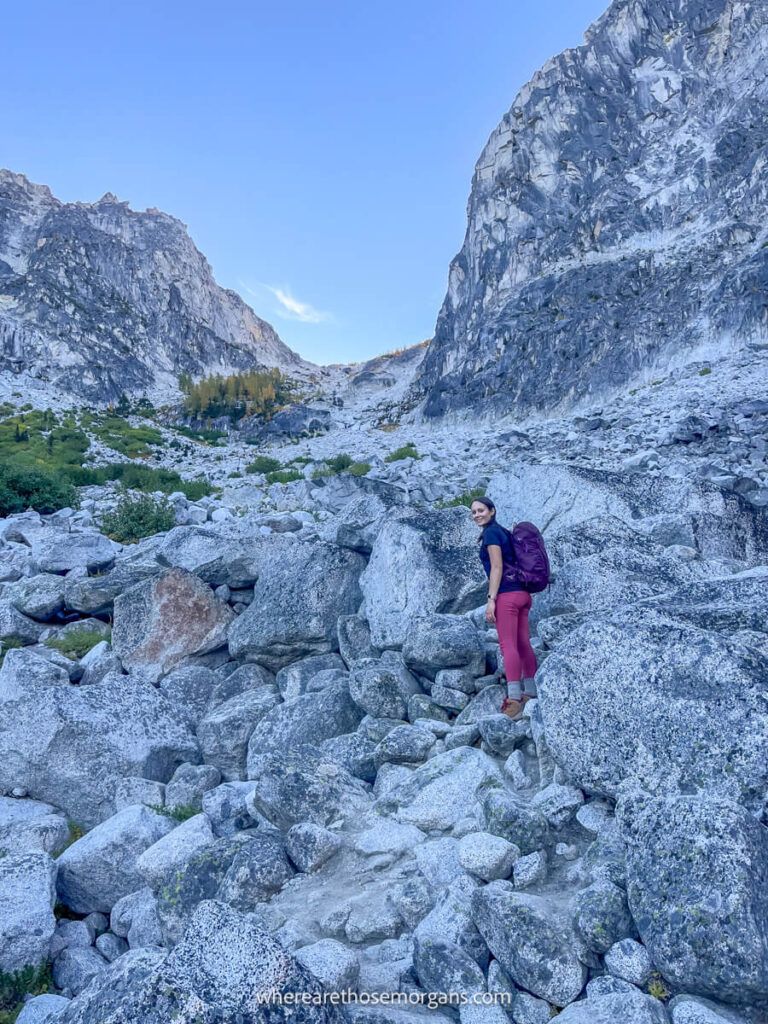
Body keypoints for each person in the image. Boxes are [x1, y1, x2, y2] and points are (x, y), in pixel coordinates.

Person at [471, 496, 538, 719]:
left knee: (508, 645)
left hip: (507, 596)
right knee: (523, 643)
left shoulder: (491, 533)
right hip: (522, 594)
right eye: (474, 512)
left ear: (492, 511)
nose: (477, 515)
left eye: (481, 510)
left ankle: (514, 700)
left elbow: (497, 567)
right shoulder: (505, 533)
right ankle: (531, 692)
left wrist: (491, 599)